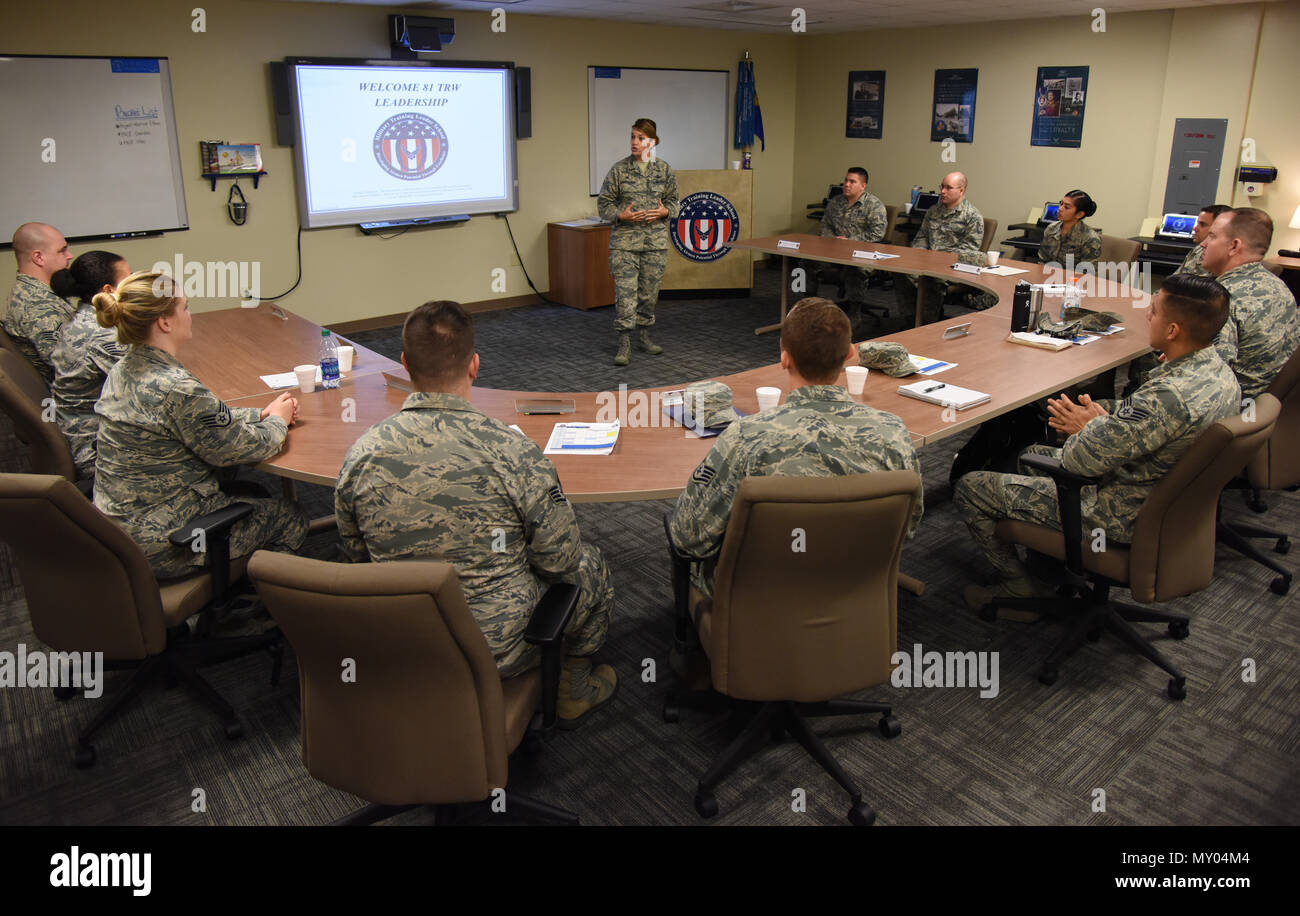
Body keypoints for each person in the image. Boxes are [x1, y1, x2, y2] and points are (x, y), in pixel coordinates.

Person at [335, 300, 617, 727]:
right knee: (590, 566)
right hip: (497, 645)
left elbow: (357, 556)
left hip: (399, 639)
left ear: (405, 363)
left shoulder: (361, 454)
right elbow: (560, 562)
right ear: (475, 366)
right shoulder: (514, 452)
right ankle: (572, 689)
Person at [955, 274, 1241, 613]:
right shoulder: (1218, 375)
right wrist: (1099, 417)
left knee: (971, 486)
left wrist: (1085, 427)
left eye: (1153, 311)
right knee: (1030, 455)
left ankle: (1019, 590)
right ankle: (1048, 568)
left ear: (1173, 330)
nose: (1147, 316)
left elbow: (1078, 461)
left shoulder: (1168, 395)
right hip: (1166, 504)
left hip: (1118, 512)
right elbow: (1142, 420)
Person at [671, 297, 922, 598]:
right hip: (856, 587)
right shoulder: (892, 433)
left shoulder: (746, 438)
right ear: (850, 354)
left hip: (760, 598)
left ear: (784, 358)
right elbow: (909, 524)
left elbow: (688, 537)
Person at [93, 270, 307, 577]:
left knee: (250, 491)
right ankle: (246, 616)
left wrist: (256, 414)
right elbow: (245, 449)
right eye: (185, 307)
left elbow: (200, 421)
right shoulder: (176, 387)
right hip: (162, 540)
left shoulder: (126, 367)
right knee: (290, 516)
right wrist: (277, 422)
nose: (190, 315)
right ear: (164, 322)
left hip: (117, 526)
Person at [596, 117, 680, 366]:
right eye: (632, 136)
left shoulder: (664, 170)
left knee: (648, 295)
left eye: (640, 138)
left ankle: (644, 335)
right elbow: (603, 204)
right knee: (625, 295)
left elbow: (676, 202)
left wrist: (666, 212)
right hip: (625, 244)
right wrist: (619, 215)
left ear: (652, 142)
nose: (634, 142)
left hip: (655, 243)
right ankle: (624, 343)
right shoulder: (619, 170)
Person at [1199, 207, 1299, 399]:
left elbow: (1208, 378)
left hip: (1231, 405)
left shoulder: (1221, 298)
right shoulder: (1280, 286)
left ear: (1234, 246)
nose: (1203, 244)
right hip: (1266, 403)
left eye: (1211, 236)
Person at [49, 251, 131, 478]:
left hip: (89, 431)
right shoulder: (101, 335)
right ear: (108, 290)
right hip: (100, 451)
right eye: (129, 279)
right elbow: (155, 388)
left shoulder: (87, 316)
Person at [898, 171, 987, 321]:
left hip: (951, 267)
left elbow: (969, 250)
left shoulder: (972, 216)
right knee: (901, 271)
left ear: (961, 190)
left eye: (948, 188)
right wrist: (919, 257)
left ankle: (928, 321)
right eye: (942, 187)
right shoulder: (933, 211)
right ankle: (911, 316)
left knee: (931, 279)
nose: (942, 192)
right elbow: (921, 238)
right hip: (927, 262)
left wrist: (939, 260)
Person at [811, 166, 888, 324]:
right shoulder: (836, 202)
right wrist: (833, 240)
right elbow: (825, 225)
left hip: (860, 254)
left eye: (852, 181)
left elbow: (877, 233)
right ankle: (809, 305)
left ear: (863, 185)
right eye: (846, 180)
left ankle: (855, 312)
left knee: (855, 270)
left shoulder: (874, 205)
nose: (846, 184)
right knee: (807, 262)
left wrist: (850, 241)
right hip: (833, 251)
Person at [3, 222, 74, 383]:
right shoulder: (38, 307)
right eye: (62, 250)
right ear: (38, 257)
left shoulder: (37, 292)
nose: (70, 255)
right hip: (75, 401)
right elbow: (70, 367)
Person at [1038, 190, 1102, 272]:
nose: (1060, 209)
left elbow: (1087, 274)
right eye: (1061, 204)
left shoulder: (1090, 238)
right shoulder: (1051, 229)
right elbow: (1043, 261)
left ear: (1079, 214)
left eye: (1067, 207)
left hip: (1074, 282)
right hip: (1049, 279)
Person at [1173, 204, 1232, 278]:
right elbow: (1175, 278)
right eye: (1197, 223)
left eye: (1203, 224)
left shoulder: (1223, 256)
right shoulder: (1198, 249)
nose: (1195, 228)